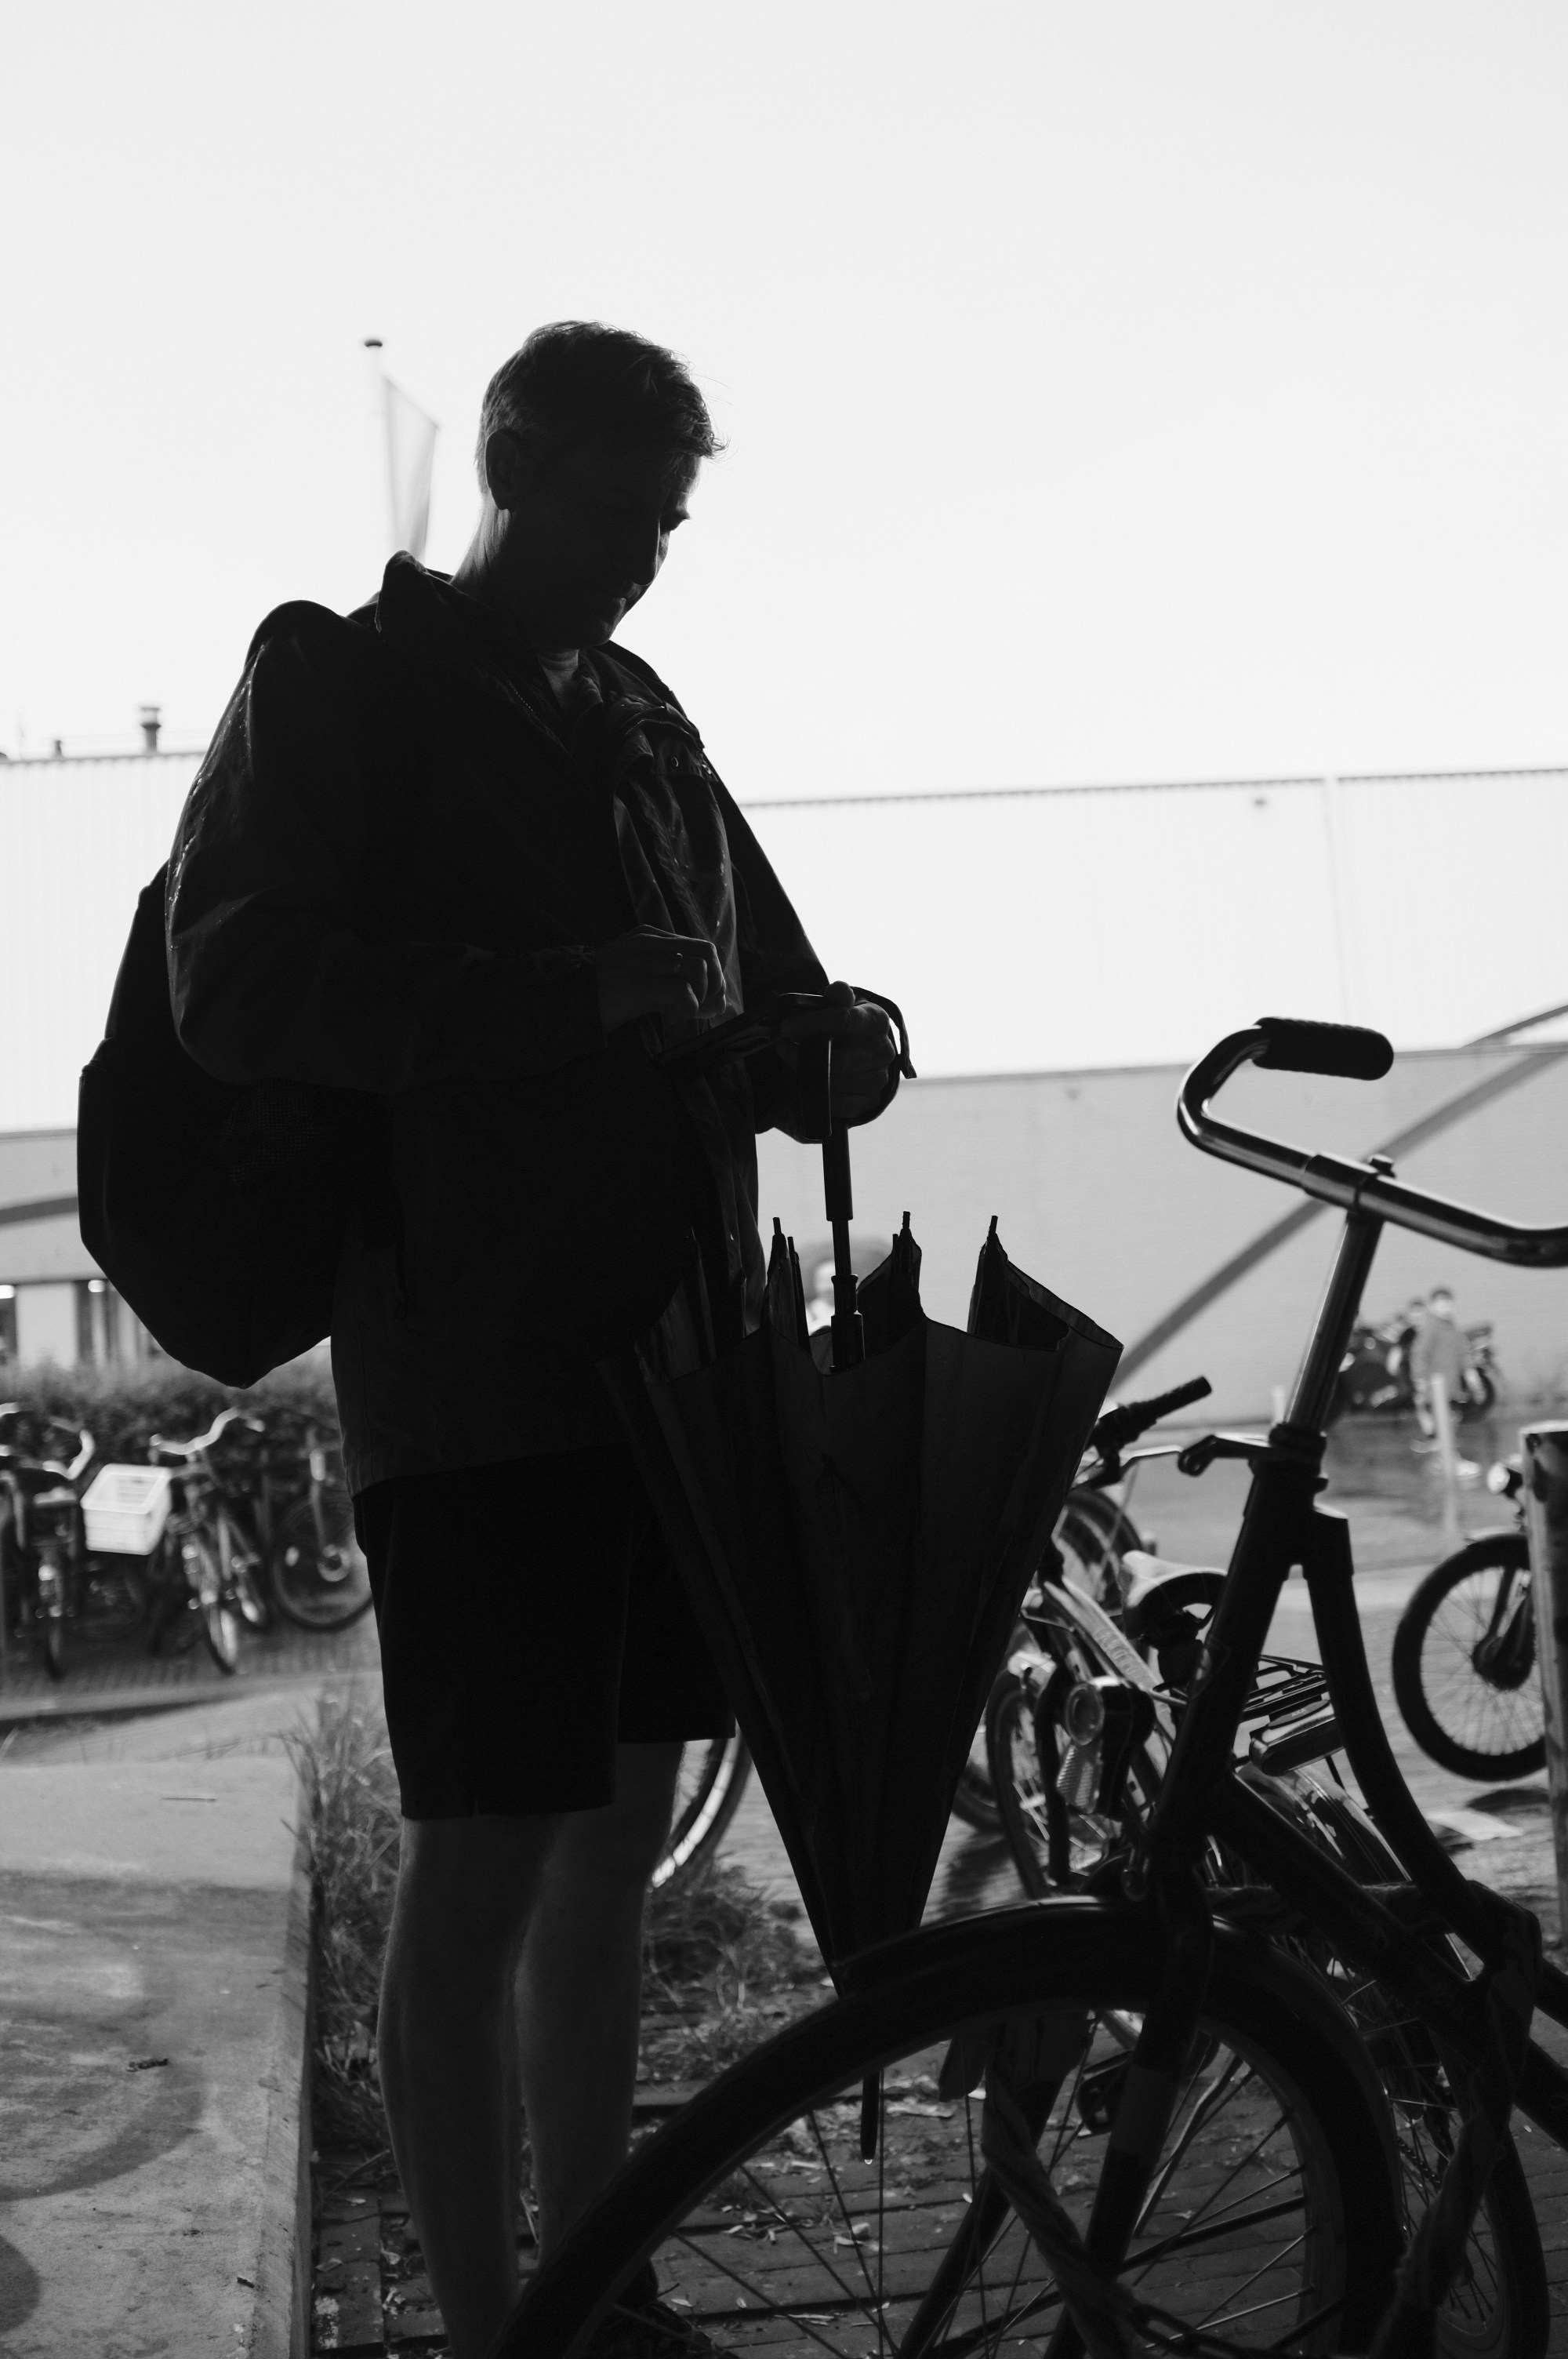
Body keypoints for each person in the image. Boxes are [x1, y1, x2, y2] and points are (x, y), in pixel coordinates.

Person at [164, 323, 903, 2359]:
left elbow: (773, 988)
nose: (647, 563)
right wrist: (561, 1003)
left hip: (672, 1378)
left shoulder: (645, 715)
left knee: (606, 1862)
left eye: (670, 527)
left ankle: (605, 2288)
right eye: (615, 516)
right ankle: (499, 2335)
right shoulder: (342, 684)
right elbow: (237, 984)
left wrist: (843, 1049)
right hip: (476, 1376)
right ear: (509, 464)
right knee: (485, 1857)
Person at [1410, 1285, 1469, 1444]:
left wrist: (1471, 1377)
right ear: (1432, 1306)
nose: (1447, 1308)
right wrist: (1420, 1379)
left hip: (1451, 1386)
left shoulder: (1451, 1327)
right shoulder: (1430, 1328)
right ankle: (1445, 1456)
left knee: (1453, 1419)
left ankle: (1447, 1453)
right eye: (1442, 1305)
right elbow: (1420, 1354)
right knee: (1443, 1420)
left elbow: (1461, 1353)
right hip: (1436, 1387)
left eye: (1449, 1304)